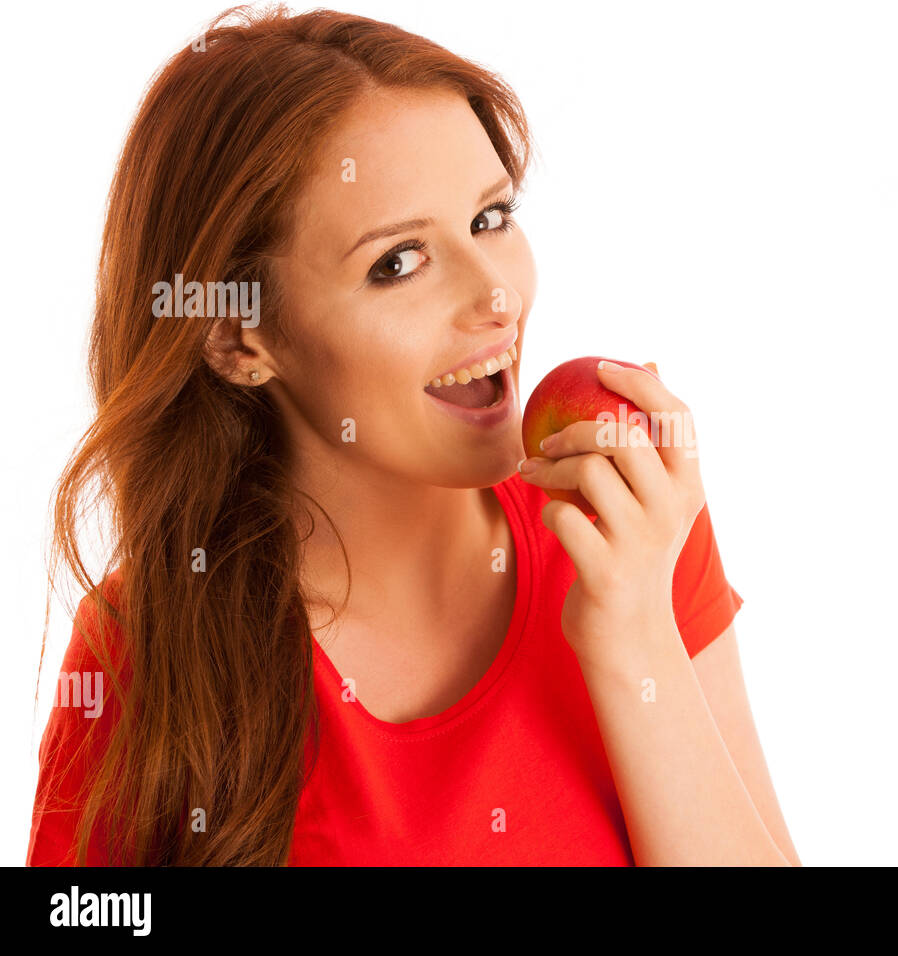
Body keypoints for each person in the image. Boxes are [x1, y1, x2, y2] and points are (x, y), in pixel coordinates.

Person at [28, 5, 799, 866]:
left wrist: (637, 640)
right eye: (396, 263)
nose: (496, 298)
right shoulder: (146, 643)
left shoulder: (634, 526)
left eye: (490, 219)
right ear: (239, 338)